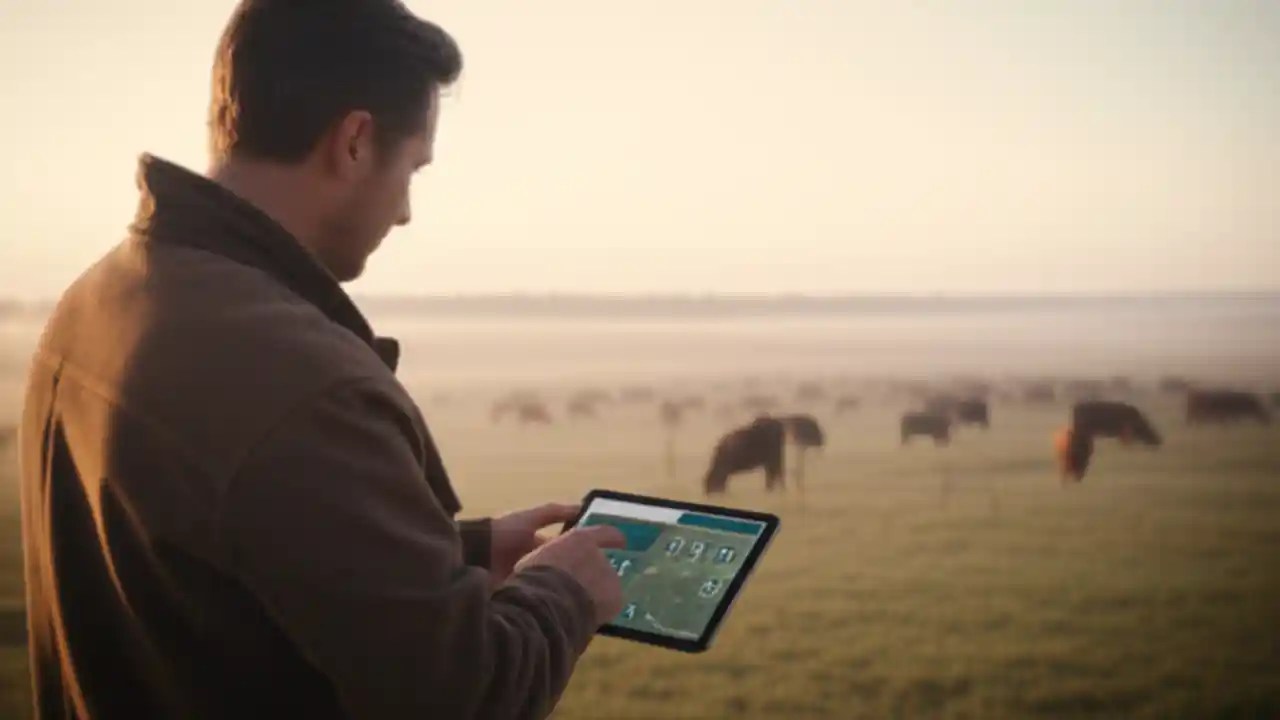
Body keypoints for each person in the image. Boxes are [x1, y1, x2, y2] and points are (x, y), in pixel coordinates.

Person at [17, 1, 625, 718]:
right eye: (414, 169)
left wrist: (457, 555)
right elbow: (465, 694)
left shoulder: (101, 298)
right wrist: (562, 592)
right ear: (357, 142)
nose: (403, 213)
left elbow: (215, 548)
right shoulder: (304, 382)